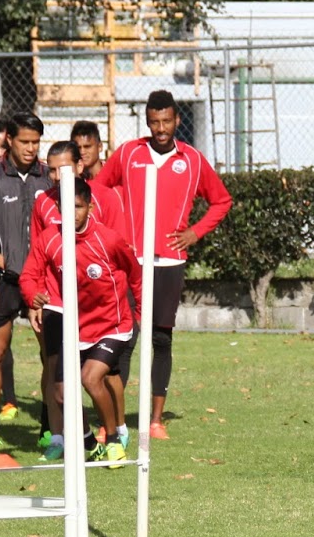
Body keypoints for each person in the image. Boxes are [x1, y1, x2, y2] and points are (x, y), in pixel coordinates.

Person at [94, 90, 231, 441]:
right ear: (147, 121)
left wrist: (195, 232)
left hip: (170, 262)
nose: (160, 128)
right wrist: (114, 235)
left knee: (161, 338)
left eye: (166, 121)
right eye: (154, 122)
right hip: (131, 262)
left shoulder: (193, 160)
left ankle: (155, 420)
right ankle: (113, 421)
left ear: (177, 120)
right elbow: (98, 191)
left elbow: (221, 201)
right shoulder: (128, 153)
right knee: (125, 339)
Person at [20, 175, 142, 466]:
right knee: (62, 393)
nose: (72, 213)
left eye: (78, 207)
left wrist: (139, 312)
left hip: (112, 325)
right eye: (67, 207)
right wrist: (33, 295)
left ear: (90, 207)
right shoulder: (50, 239)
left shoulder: (108, 239)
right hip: (76, 327)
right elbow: (28, 276)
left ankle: (113, 441)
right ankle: (88, 440)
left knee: (90, 378)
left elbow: (135, 274)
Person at [0, 111, 51, 450]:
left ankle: (50, 427)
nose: (31, 148)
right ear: (9, 140)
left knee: (50, 355)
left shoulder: (49, 177)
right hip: (3, 280)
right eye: (25, 142)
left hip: (43, 281)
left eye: (36, 142)